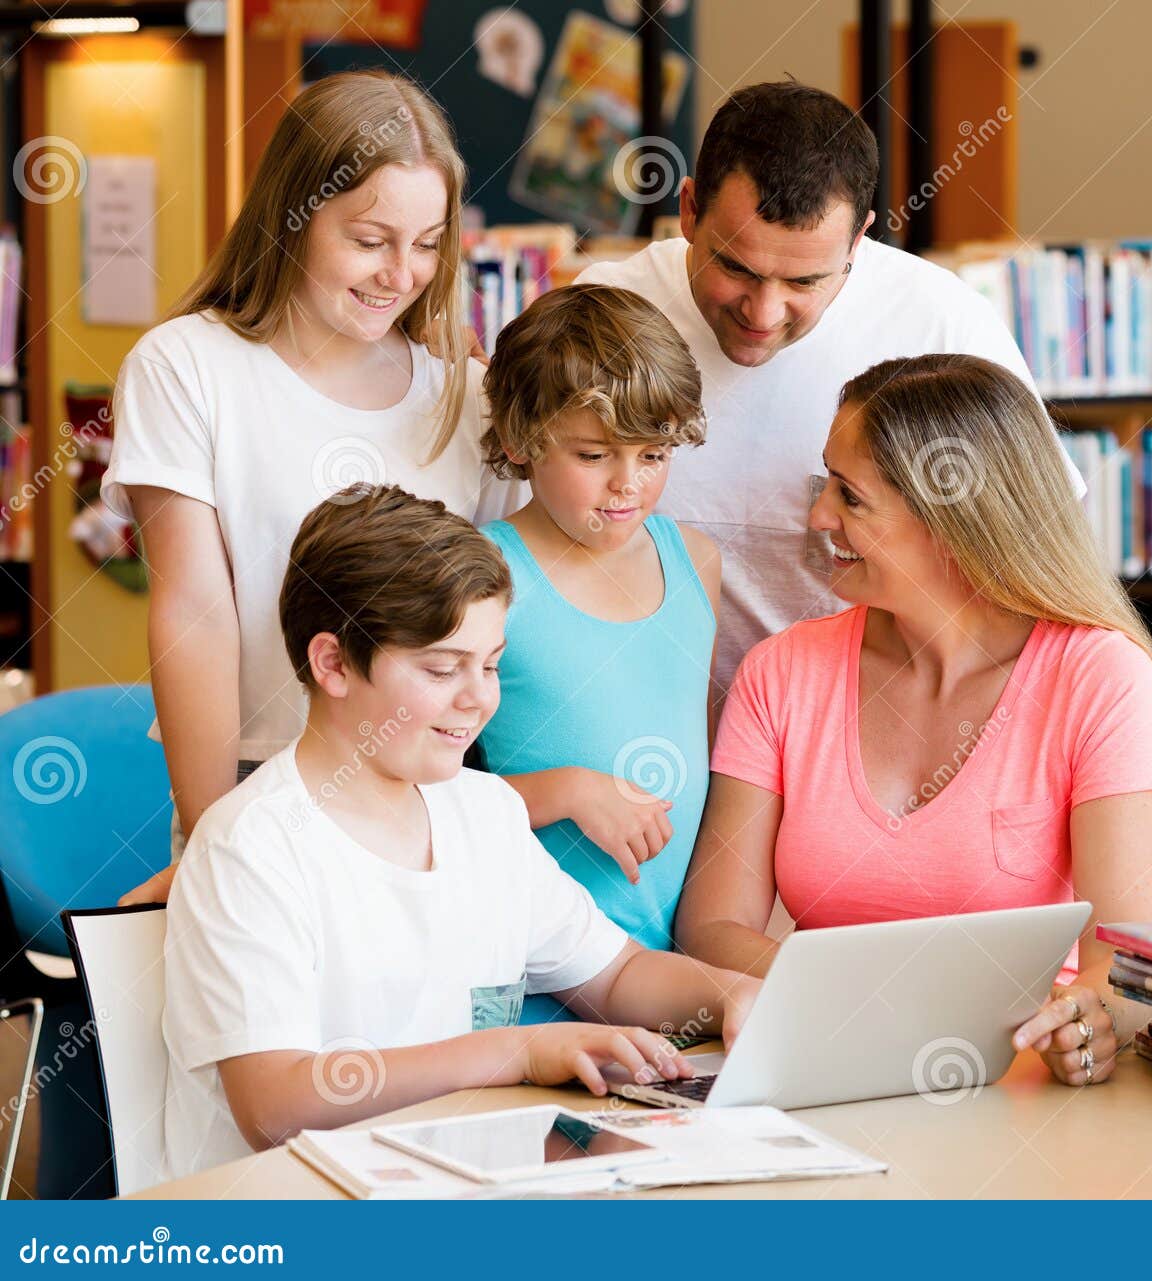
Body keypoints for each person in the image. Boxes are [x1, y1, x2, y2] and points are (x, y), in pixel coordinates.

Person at [161, 486, 758, 1180]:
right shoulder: (254, 844)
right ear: (332, 664)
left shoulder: (483, 814)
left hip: (453, 1187)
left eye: (492, 663)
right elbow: (272, 1103)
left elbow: (620, 973)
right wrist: (517, 1053)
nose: (479, 698)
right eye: (442, 669)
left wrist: (729, 995)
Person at [674, 355, 1152, 1087]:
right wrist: (872, 1004)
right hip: (829, 1070)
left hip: (1021, 1083)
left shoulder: (1100, 677)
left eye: (850, 497)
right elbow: (710, 926)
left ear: (951, 520)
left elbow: (1126, 959)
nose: (818, 517)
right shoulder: (781, 673)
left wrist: (1093, 1021)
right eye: (826, 484)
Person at [102, 70, 527, 906]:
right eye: (369, 239)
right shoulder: (188, 367)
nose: (400, 273)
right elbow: (193, 610)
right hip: (257, 783)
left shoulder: (464, 396)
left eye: (430, 242)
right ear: (292, 217)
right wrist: (215, 837)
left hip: (428, 801)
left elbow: (505, 608)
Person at [578, 80, 1084, 695]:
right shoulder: (600, 315)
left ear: (860, 237)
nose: (763, 314)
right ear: (687, 209)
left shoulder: (941, 323)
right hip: (650, 726)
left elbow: (1038, 551)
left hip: (867, 730)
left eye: (804, 281)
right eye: (736, 266)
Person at [473, 284, 719, 1021]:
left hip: (674, 977)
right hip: (530, 982)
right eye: (593, 454)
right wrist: (569, 790)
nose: (628, 484)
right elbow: (409, 801)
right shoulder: (482, 579)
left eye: (654, 454)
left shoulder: (697, 561)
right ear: (520, 440)